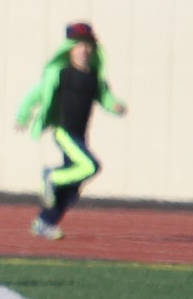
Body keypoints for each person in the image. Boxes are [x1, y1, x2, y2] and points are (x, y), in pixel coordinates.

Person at [14, 21, 126, 240]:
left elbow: (106, 98)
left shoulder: (94, 77)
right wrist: (23, 116)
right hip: (64, 132)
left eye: (88, 45)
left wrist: (116, 106)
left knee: (72, 190)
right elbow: (35, 95)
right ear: (69, 48)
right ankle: (52, 176)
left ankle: (45, 222)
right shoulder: (61, 73)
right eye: (79, 45)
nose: (84, 50)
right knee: (90, 166)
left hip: (80, 135)